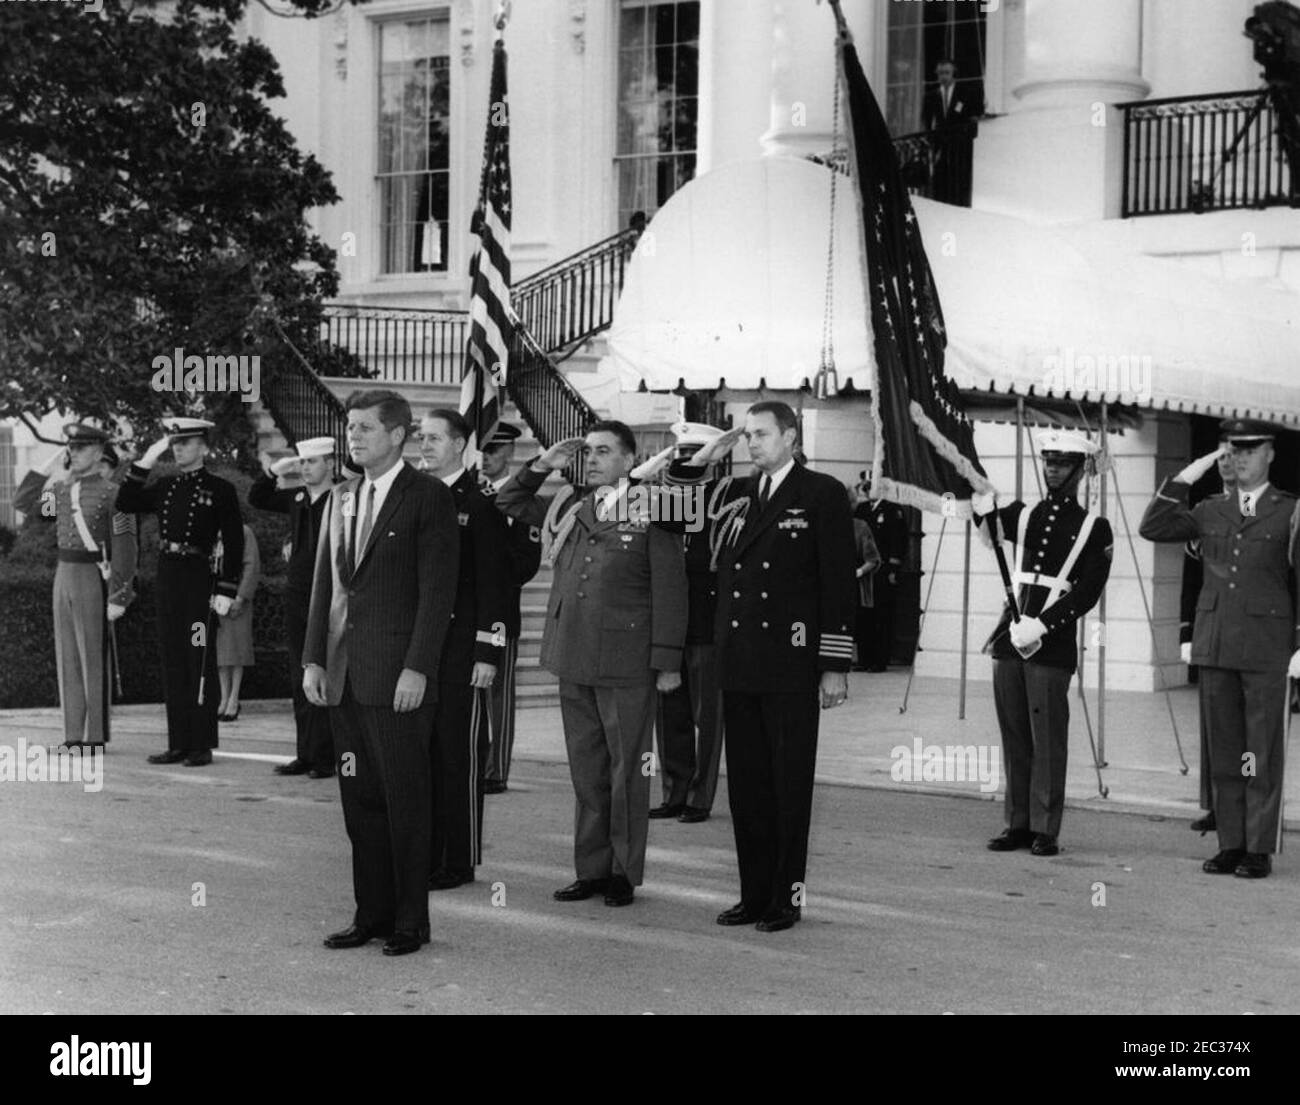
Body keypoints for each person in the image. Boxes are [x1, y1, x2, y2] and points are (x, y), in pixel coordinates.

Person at [676, 402, 857, 933]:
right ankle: (753, 894)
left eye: (760, 434)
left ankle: (786, 898)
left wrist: (834, 664)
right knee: (748, 787)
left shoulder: (821, 492)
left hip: (792, 663)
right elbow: (667, 511)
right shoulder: (734, 493)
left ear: (790, 437)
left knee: (789, 787)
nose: (751, 444)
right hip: (740, 663)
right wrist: (699, 462)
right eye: (746, 435)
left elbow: (838, 582)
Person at [496, 420, 687, 908]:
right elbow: (507, 505)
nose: (594, 459)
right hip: (574, 652)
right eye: (590, 452)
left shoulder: (657, 510)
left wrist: (667, 661)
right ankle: (591, 869)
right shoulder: (573, 506)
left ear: (630, 458)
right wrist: (542, 466)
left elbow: (670, 589)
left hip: (625, 660)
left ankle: (624, 871)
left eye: (605, 451)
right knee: (587, 771)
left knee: (627, 771)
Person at [304, 390, 459, 955]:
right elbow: (326, 584)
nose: (355, 436)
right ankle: (369, 913)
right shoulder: (342, 497)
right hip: (345, 680)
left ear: (397, 435)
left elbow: (437, 593)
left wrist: (418, 668)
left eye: (366, 428)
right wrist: (313, 658)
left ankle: (410, 923)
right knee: (359, 804)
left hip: (397, 682)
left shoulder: (428, 498)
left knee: (404, 804)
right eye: (351, 427)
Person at [1140, 419, 1300, 880]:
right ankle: (1230, 843)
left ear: (1270, 453)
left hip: (1267, 650)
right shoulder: (1210, 509)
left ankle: (1257, 847)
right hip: (1216, 645)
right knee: (1227, 752)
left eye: (1251, 449)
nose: (1242, 457)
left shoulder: (1289, 511)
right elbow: (1153, 525)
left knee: (1259, 755)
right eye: (1234, 449)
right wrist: (1190, 472)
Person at [975, 430, 1113, 858]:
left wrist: (1044, 625)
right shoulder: (1024, 513)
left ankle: (1045, 827)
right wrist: (979, 506)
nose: (1052, 468)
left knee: (1047, 736)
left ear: (1080, 470)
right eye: (1048, 460)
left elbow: (1087, 592)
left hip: (1049, 644)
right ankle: (1016, 822)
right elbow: (989, 529)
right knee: (1014, 733)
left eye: (1062, 462)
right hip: (1009, 639)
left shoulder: (1094, 526)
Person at [416, 409, 512, 891]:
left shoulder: (479, 505)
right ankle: (429, 851)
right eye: (421, 437)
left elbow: (493, 587)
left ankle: (460, 858)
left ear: (459, 445)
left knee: (459, 756)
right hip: (423, 650)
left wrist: (487, 653)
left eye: (435, 438)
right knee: (427, 757)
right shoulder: (419, 497)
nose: (425, 445)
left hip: (462, 651)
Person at [117, 417, 244, 768]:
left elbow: (233, 542)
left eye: (186, 442)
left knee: (198, 658)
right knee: (173, 660)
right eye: (175, 442)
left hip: (198, 580)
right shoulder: (166, 485)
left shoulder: (220, 489)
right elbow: (125, 502)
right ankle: (178, 742)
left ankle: (201, 743)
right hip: (169, 576)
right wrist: (146, 460)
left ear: (203, 446)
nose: (178, 448)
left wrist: (227, 588)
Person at [14, 424, 138, 749]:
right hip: (64, 574)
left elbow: (125, 546)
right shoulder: (61, 491)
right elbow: (26, 504)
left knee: (92, 656)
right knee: (67, 655)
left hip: (91, 575)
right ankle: (72, 733)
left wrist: (120, 594)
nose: (74, 452)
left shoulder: (114, 494)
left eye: (82, 447)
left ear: (99, 452)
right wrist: (44, 470)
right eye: (71, 447)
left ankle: (95, 734)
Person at [648, 422, 732, 824]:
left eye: (697, 456)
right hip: (670, 627)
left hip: (706, 625)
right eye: (683, 457)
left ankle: (700, 795)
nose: (687, 465)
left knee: (707, 717)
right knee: (671, 717)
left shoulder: (726, 500)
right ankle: (675, 790)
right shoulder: (671, 502)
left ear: (714, 461)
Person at [249, 438, 338, 778]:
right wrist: (276, 470)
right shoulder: (299, 497)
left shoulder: (342, 497)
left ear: (330, 464)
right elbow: (257, 497)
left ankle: (328, 755)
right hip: (299, 593)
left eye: (312, 462)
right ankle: (306, 753)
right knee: (300, 671)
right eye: (302, 462)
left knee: (326, 671)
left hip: (330, 594)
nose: (305, 468)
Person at [477, 422, 542, 794]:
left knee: (498, 693)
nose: (485, 458)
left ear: (510, 454)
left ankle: (496, 769)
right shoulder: (471, 493)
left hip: (500, 608)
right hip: (471, 607)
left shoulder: (525, 502)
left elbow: (525, 564)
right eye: (482, 450)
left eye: (493, 451)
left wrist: (491, 562)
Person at [1178, 442, 1238, 834]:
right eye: (1224, 457)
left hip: (1253, 635)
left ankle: (1245, 805)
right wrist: (1186, 630)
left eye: (1237, 455)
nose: (1230, 463)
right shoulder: (1207, 510)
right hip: (1212, 631)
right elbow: (1191, 579)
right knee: (1215, 730)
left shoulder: (1277, 511)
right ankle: (1217, 805)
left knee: (1248, 735)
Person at [855, 472, 907, 671]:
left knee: (882, 616)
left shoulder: (893, 510)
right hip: (863, 572)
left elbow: (898, 541)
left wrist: (893, 568)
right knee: (863, 616)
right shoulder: (860, 510)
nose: (868, 490)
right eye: (866, 487)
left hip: (882, 571)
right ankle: (865, 659)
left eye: (872, 486)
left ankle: (880, 660)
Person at [215, 523, 259, 723]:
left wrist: (241, 597)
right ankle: (223, 698)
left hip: (236, 597)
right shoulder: (209, 531)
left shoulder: (243, 532)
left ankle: (234, 698)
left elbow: (251, 565)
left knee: (237, 650)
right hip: (215, 599)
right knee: (220, 652)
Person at [921, 59, 980, 205]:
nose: (943, 76)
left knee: (959, 179)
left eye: (947, 72)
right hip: (940, 146)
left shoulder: (965, 93)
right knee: (941, 181)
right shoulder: (931, 96)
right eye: (940, 73)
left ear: (954, 73)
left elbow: (972, 117)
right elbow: (927, 121)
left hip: (960, 146)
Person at [850, 486, 883, 664]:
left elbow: (873, 558)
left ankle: (861, 659)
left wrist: (859, 571)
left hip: (856, 583)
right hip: (834, 583)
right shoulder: (827, 524)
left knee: (861, 622)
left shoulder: (860, 527)